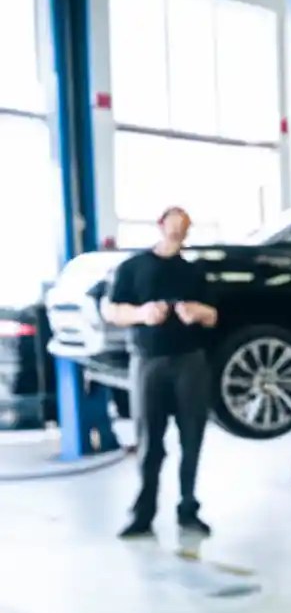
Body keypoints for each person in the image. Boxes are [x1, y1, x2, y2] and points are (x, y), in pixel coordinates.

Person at [104, 206, 218, 538]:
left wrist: (198, 312)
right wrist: (143, 314)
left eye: (184, 226)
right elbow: (112, 311)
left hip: (189, 361)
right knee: (149, 440)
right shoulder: (133, 267)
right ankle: (143, 513)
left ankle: (188, 508)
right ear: (160, 225)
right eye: (173, 224)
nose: (177, 231)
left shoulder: (194, 272)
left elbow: (214, 316)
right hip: (148, 361)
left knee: (192, 438)